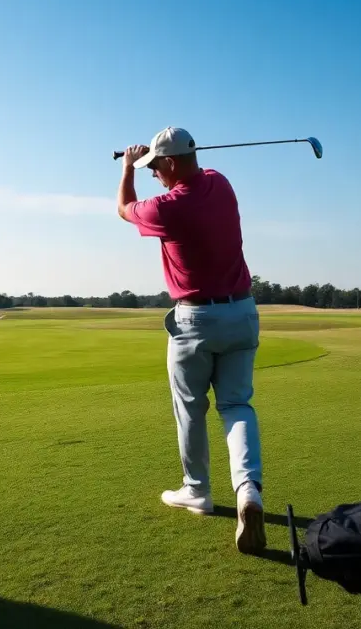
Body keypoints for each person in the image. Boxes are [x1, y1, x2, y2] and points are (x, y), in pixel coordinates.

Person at [117, 126, 266, 554]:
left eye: (155, 169)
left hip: (196, 320)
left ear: (168, 163)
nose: (154, 176)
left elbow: (125, 209)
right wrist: (161, 159)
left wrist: (129, 165)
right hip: (242, 312)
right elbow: (193, 170)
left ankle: (197, 490)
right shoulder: (221, 184)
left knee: (190, 408)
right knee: (237, 405)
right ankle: (248, 491)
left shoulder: (167, 208)